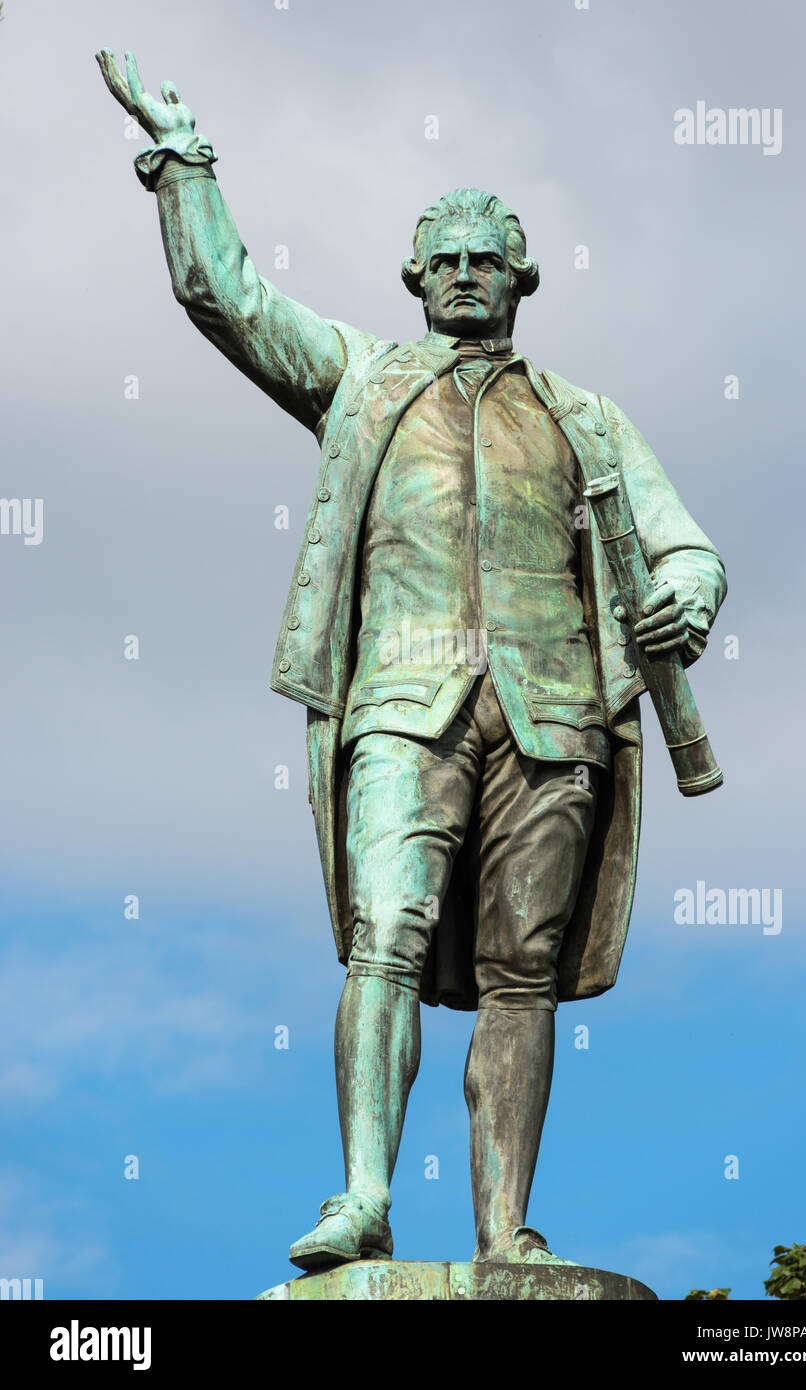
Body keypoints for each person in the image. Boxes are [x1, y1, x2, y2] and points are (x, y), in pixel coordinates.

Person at [97, 49, 726, 1270]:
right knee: (382, 930)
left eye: (485, 259)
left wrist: (686, 602)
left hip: (552, 717)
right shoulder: (363, 379)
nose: (462, 276)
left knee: (522, 974)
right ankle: (363, 1196)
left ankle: (505, 1231)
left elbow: (687, 545)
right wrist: (184, 163)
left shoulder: (585, 415)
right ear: (413, 278)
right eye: (442, 260)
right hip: (401, 699)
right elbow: (231, 300)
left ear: (524, 279)